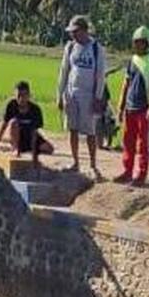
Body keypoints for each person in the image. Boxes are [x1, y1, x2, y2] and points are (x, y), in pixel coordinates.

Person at [113, 26, 149, 187]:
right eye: (136, 43)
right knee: (128, 141)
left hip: (144, 107)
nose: (138, 46)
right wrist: (121, 106)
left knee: (143, 143)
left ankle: (141, 174)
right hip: (130, 107)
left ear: (147, 43)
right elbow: (126, 83)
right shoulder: (132, 61)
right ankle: (127, 171)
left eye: (141, 43)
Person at [56, 15, 106, 178]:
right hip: (71, 93)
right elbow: (64, 72)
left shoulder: (97, 49)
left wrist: (98, 97)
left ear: (84, 30)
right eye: (72, 32)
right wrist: (60, 94)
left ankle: (92, 165)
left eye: (76, 32)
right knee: (73, 128)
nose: (73, 35)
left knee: (90, 131)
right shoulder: (70, 47)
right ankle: (75, 162)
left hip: (88, 95)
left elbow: (100, 75)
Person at [0, 81, 53, 166]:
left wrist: (34, 152)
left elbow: (35, 131)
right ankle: (16, 148)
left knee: (49, 149)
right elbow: (4, 124)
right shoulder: (11, 105)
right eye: (18, 96)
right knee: (14, 122)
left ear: (28, 95)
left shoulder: (35, 110)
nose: (21, 99)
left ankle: (26, 149)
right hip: (16, 134)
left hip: (29, 135)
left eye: (24, 95)